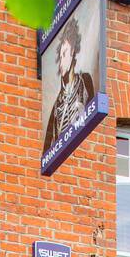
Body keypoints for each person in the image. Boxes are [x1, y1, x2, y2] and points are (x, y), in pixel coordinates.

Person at [43, 14, 97, 155]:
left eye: (64, 54)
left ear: (73, 52)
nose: (61, 62)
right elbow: (46, 152)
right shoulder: (56, 106)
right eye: (60, 57)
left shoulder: (84, 82)